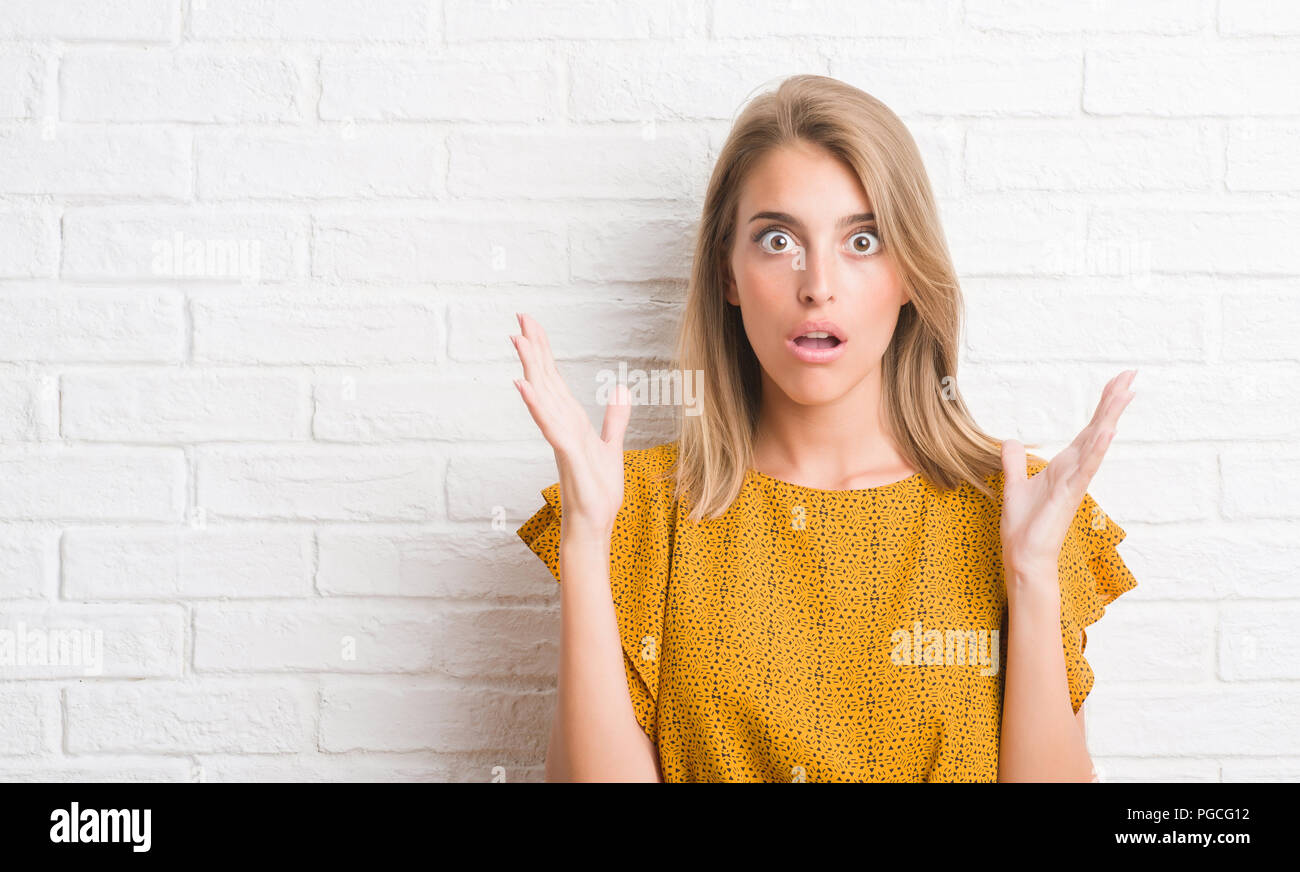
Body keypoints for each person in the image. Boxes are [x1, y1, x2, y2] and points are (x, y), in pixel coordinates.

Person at [511, 74, 1137, 782]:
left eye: (862, 241)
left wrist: (1030, 574)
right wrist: (588, 540)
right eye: (777, 239)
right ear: (727, 273)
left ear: (910, 272)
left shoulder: (1021, 508)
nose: (817, 285)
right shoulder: (638, 510)